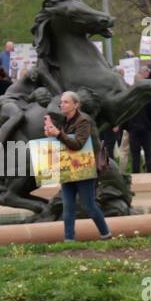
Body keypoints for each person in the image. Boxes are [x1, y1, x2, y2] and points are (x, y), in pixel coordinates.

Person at [42, 92, 110, 242]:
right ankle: (69, 240)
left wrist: (58, 134)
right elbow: (65, 143)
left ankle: (106, 234)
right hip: (69, 167)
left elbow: (78, 144)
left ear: (76, 104)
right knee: (68, 206)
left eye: (66, 102)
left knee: (88, 205)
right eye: (61, 102)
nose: (62, 105)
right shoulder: (66, 121)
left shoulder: (83, 121)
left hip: (84, 168)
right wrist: (52, 134)